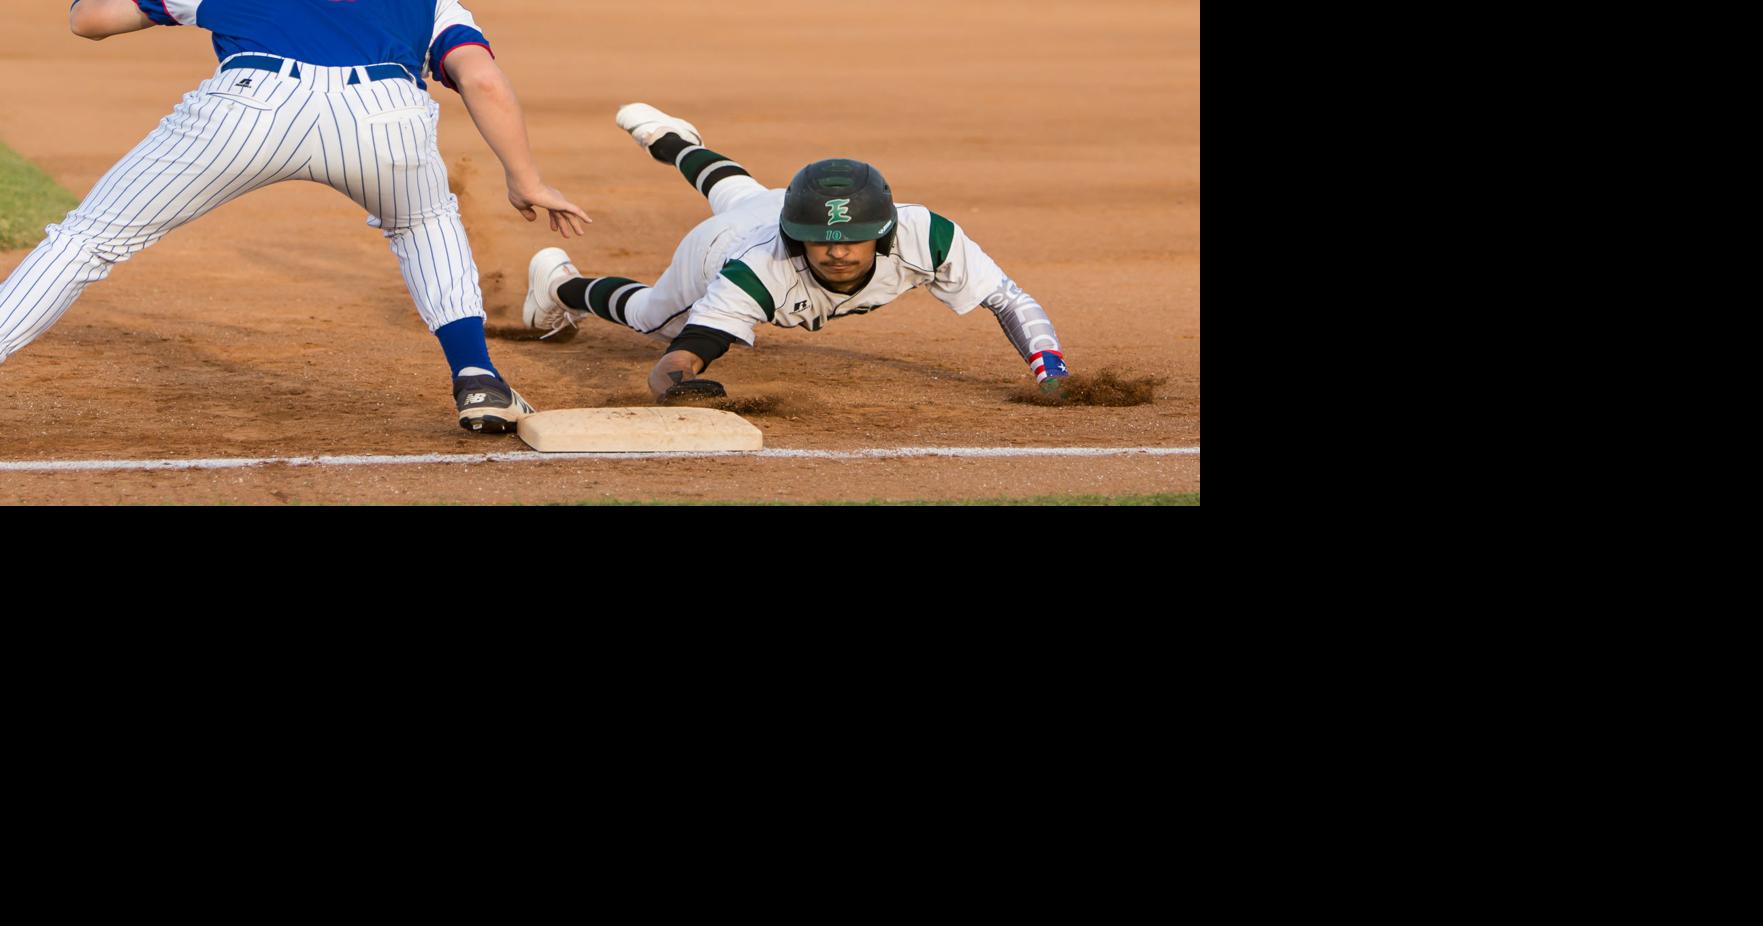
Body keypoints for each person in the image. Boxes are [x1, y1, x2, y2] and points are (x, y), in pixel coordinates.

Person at [0, 0, 589, 432]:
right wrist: (525, 177)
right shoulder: (433, 3)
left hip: (250, 109)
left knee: (86, 240)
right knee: (423, 224)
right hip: (385, 117)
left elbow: (89, 20)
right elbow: (481, 79)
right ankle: (478, 381)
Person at [522, 104, 1069, 404]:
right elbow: (680, 357)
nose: (837, 253)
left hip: (770, 209)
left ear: (882, 231)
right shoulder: (756, 269)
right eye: (821, 240)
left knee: (737, 189)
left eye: (851, 238)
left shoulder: (926, 235)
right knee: (652, 318)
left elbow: (1008, 300)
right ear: (797, 233)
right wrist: (679, 385)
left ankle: (674, 141)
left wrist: (1053, 373)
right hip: (722, 244)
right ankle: (559, 284)